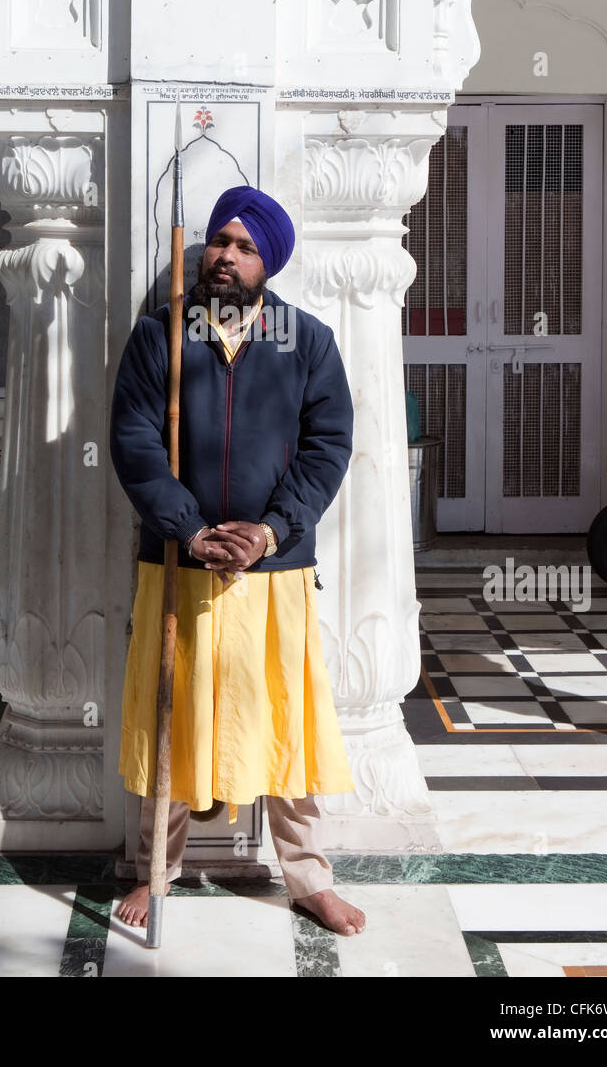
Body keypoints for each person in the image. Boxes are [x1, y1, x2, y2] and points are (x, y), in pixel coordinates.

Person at [109, 183, 365, 936]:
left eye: (245, 247)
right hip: (179, 563)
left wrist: (268, 531)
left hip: (274, 573)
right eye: (220, 241)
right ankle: (159, 871)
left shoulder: (307, 340)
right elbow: (133, 443)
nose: (225, 256)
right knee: (172, 716)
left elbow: (328, 449)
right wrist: (188, 529)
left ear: (269, 264)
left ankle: (309, 878)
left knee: (287, 722)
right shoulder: (160, 336)